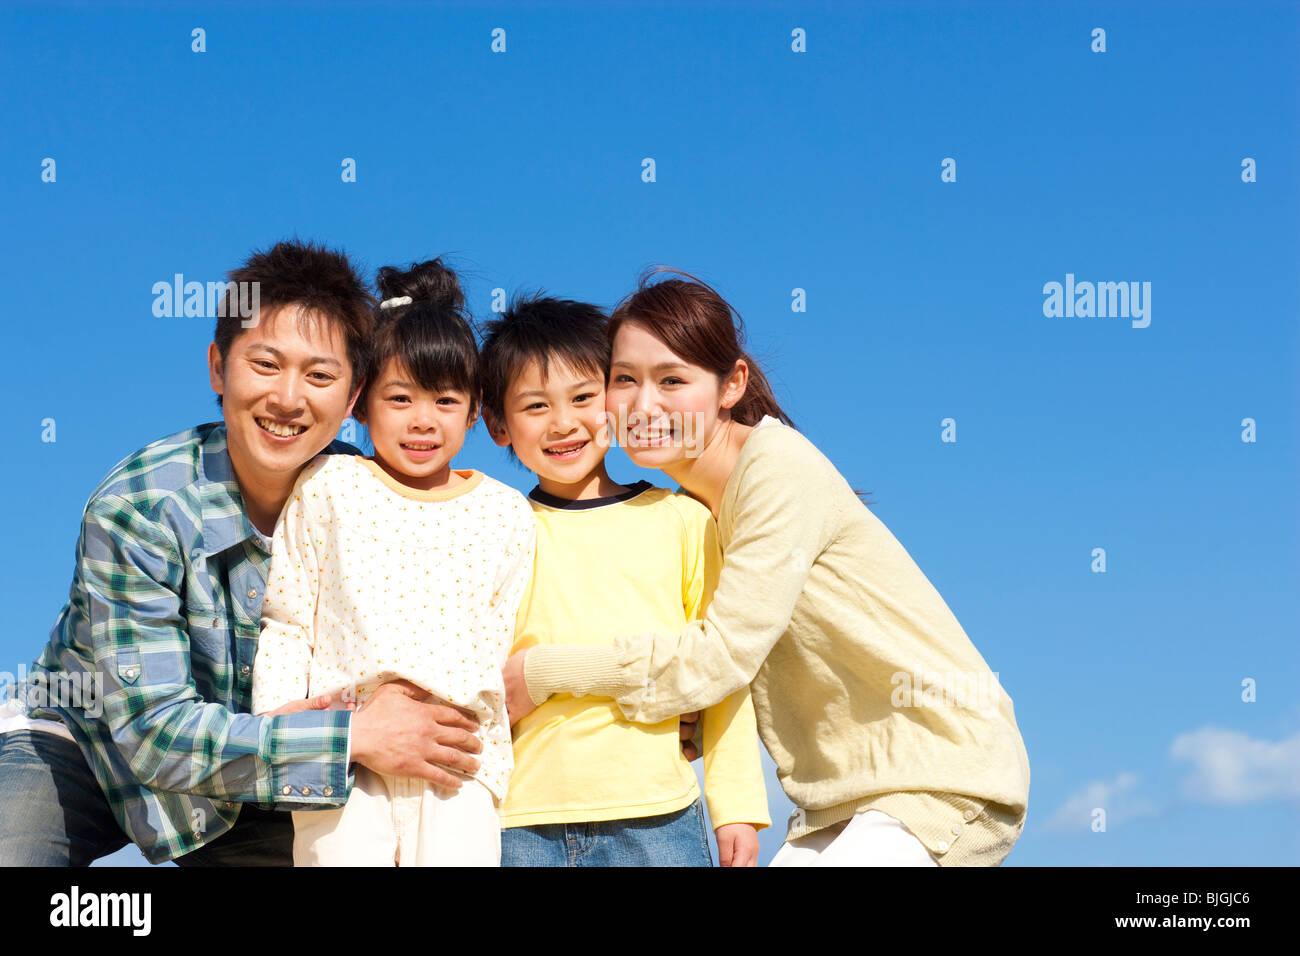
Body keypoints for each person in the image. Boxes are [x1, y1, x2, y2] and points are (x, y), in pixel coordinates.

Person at [504, 269, 1031, 866]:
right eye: (625, 379)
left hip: (942, 774)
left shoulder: (774, 471)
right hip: (838, 802)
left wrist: (543, 670)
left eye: (672, 379)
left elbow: (720, 656)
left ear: (731, 386)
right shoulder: (694, 514)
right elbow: (721, 672)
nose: (643, 404)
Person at [0, 240, 485, 867]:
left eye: (319, 375)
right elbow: (152, 735)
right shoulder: (139, 506)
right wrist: (353, 735)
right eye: (265, 364)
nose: (288, 399)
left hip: (252, 773)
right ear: (217, 368)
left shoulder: (367, 502)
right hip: (89, 744)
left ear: (354, 393)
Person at [251, 259, 535, 866]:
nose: (422, 420)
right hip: (347, 759)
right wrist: (281, 723)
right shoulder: (329, 485)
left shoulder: (504, 512)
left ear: (474, 407)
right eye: (399, 397)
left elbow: (507, 634)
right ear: (360, 403)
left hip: (460, 762)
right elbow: (289, 614)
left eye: (445, 400)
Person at [480, 293, 768, 867]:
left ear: (614, 400)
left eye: (584, 397)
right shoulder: (495, 527)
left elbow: (723, 672)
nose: (564, 422)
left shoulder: (683, 520)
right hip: (520, 819)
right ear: (497, 425)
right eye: (535, 406)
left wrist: (735, 804)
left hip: (659, 814)